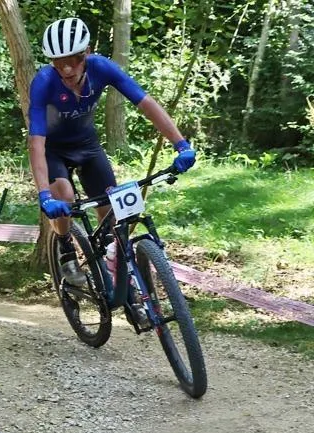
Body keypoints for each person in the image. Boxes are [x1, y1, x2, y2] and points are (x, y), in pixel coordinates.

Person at [29, 17, 196, 287]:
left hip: (87, 145)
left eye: (74, 59)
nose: (68, 69)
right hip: (54, 150)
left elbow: (146, 103)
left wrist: (181, 144)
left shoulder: (101, 68)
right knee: (65, 195)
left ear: (87, 53)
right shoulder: (44, 82)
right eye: (59, 63)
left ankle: (115, 271)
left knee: (111, 212)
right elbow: (36, 142)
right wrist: (44, 195)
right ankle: (66, 249)